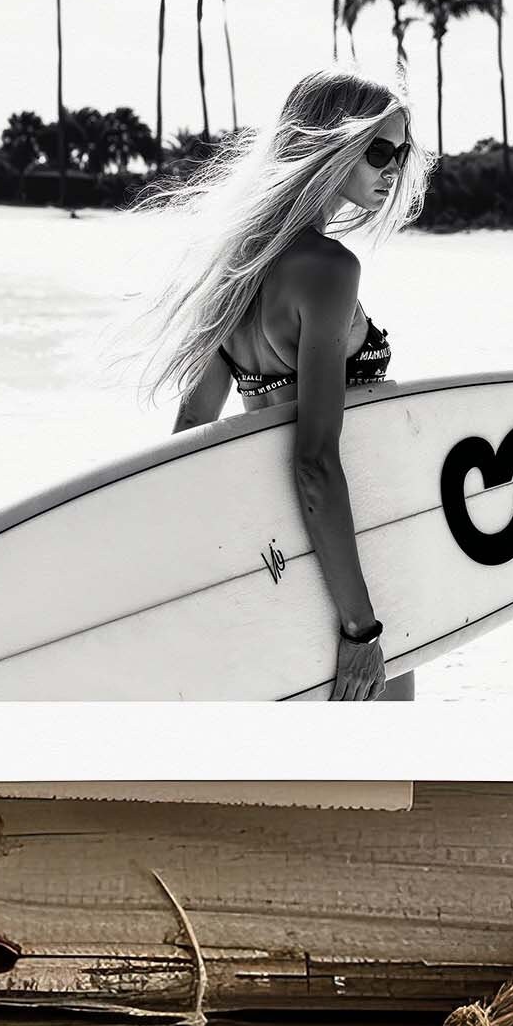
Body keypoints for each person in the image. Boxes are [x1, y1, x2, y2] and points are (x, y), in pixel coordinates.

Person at [134, 69, 431, 700]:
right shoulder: (327, 270)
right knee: (384, 750)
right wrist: (359, 628)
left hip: (271, 550)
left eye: (401, 154)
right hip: (353, 545)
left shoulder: (235, 265)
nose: (392, 169)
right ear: (330, 142)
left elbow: (192, 436)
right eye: (379, 150)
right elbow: (317, 459)